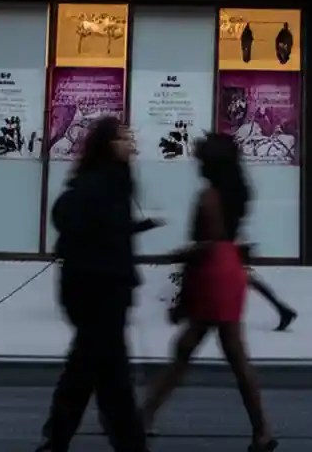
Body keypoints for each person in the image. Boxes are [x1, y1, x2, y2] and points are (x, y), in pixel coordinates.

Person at [143, 133, 277, 452]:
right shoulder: (237, 193)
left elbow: (207, 245)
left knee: (188, 349)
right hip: (230, 270)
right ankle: (261, 431)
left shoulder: (209, 197)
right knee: (229, 353)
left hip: (212, 273)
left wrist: (182, 273)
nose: (197, 165)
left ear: (211, 164)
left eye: (201, 160)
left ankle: (143, 418)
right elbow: (224, 239)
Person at [36, 117, 160, 452]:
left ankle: (59, 436)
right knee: (107, 374)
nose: (131, 145)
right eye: (124, 138)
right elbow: (81, 220)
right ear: (108, 145)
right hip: (98, 289)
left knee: (90, 368)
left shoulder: (112, 180)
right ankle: (124, 442)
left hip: (102, 286)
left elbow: (108, 227)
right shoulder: (102, 182)